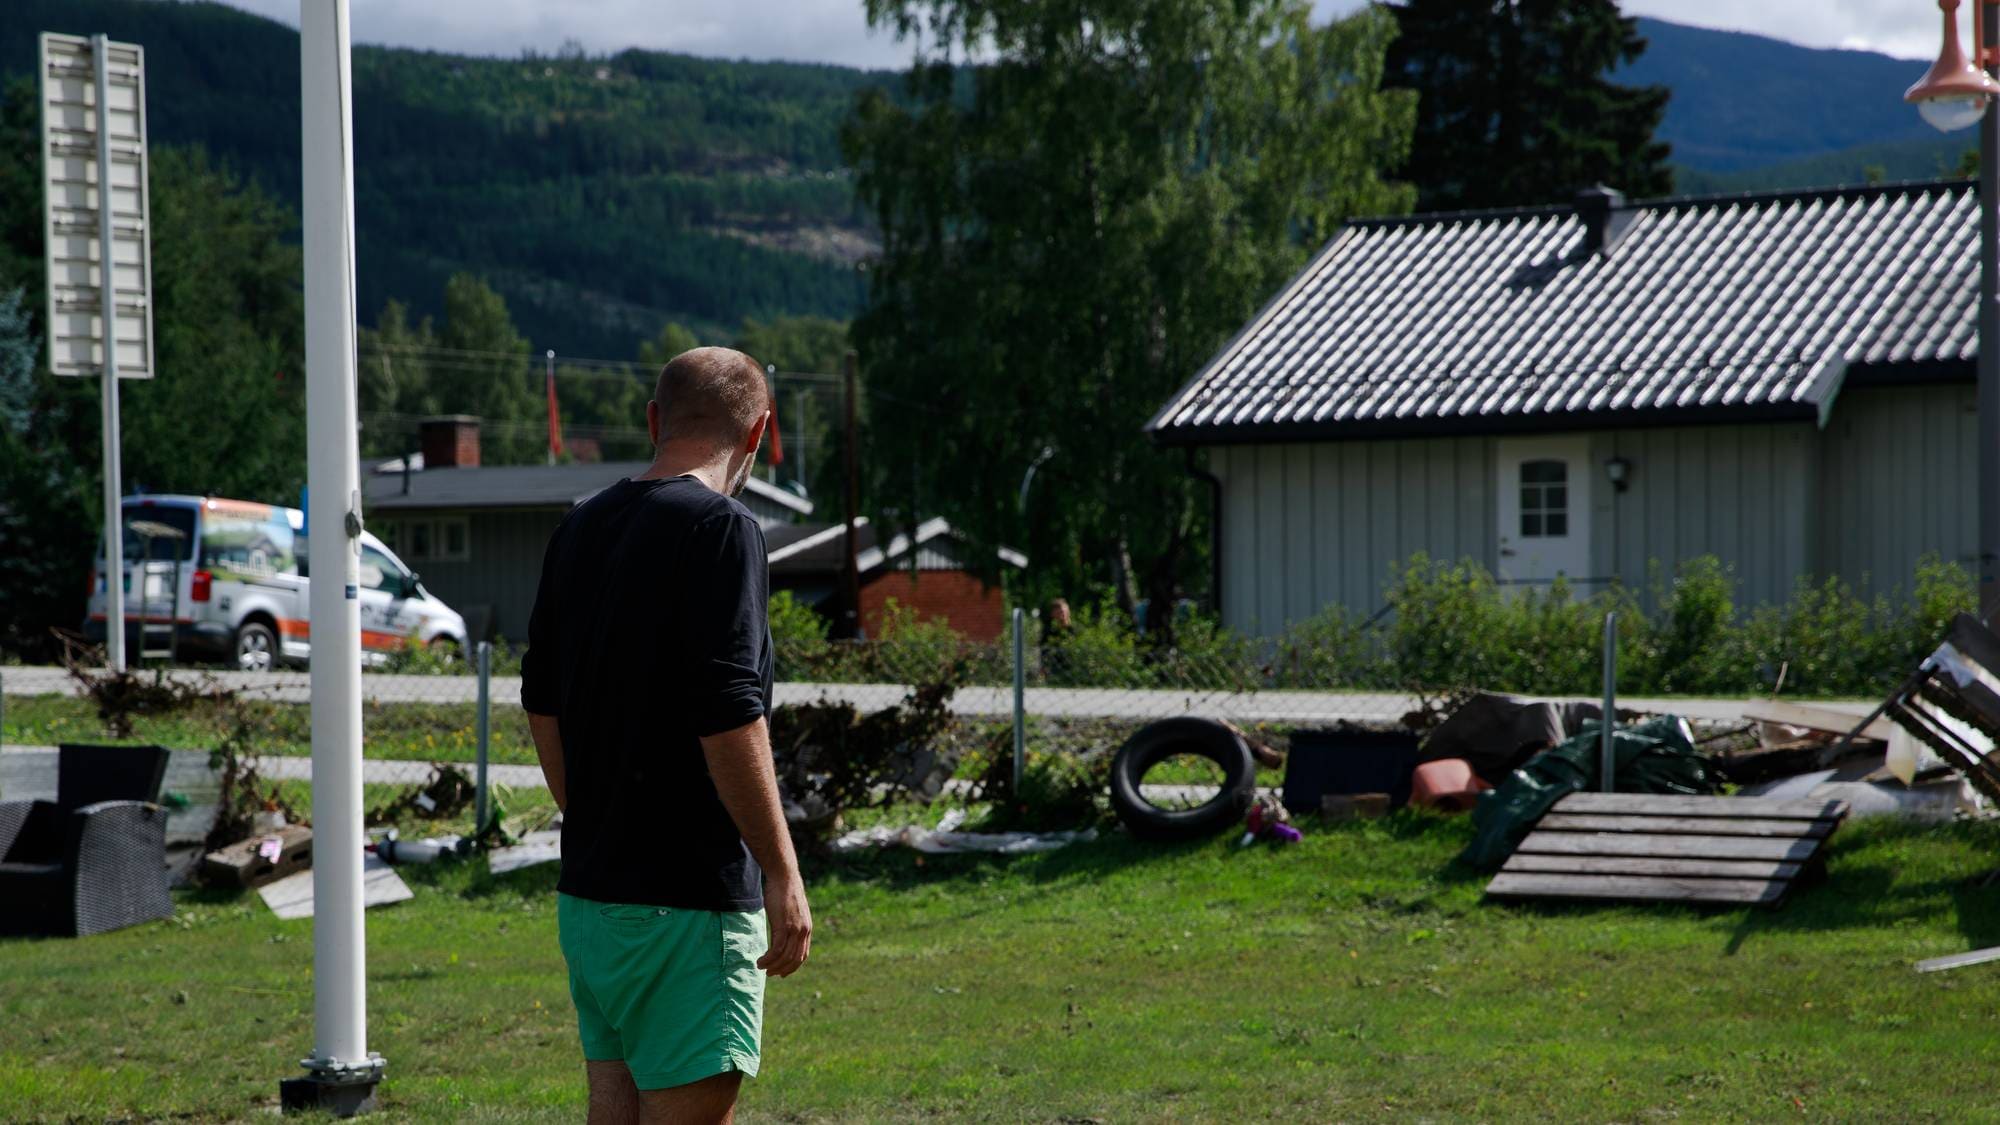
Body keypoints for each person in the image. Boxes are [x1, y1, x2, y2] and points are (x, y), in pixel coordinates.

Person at [521, 346, 812, 1125]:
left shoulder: (579, 526)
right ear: (759, 434)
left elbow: (539, 699)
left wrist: (591, 813)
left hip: (592, 899)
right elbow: (728, 712)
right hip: (687, 906)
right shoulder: (723, 527)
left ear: (653, 421)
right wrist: (782, 870)